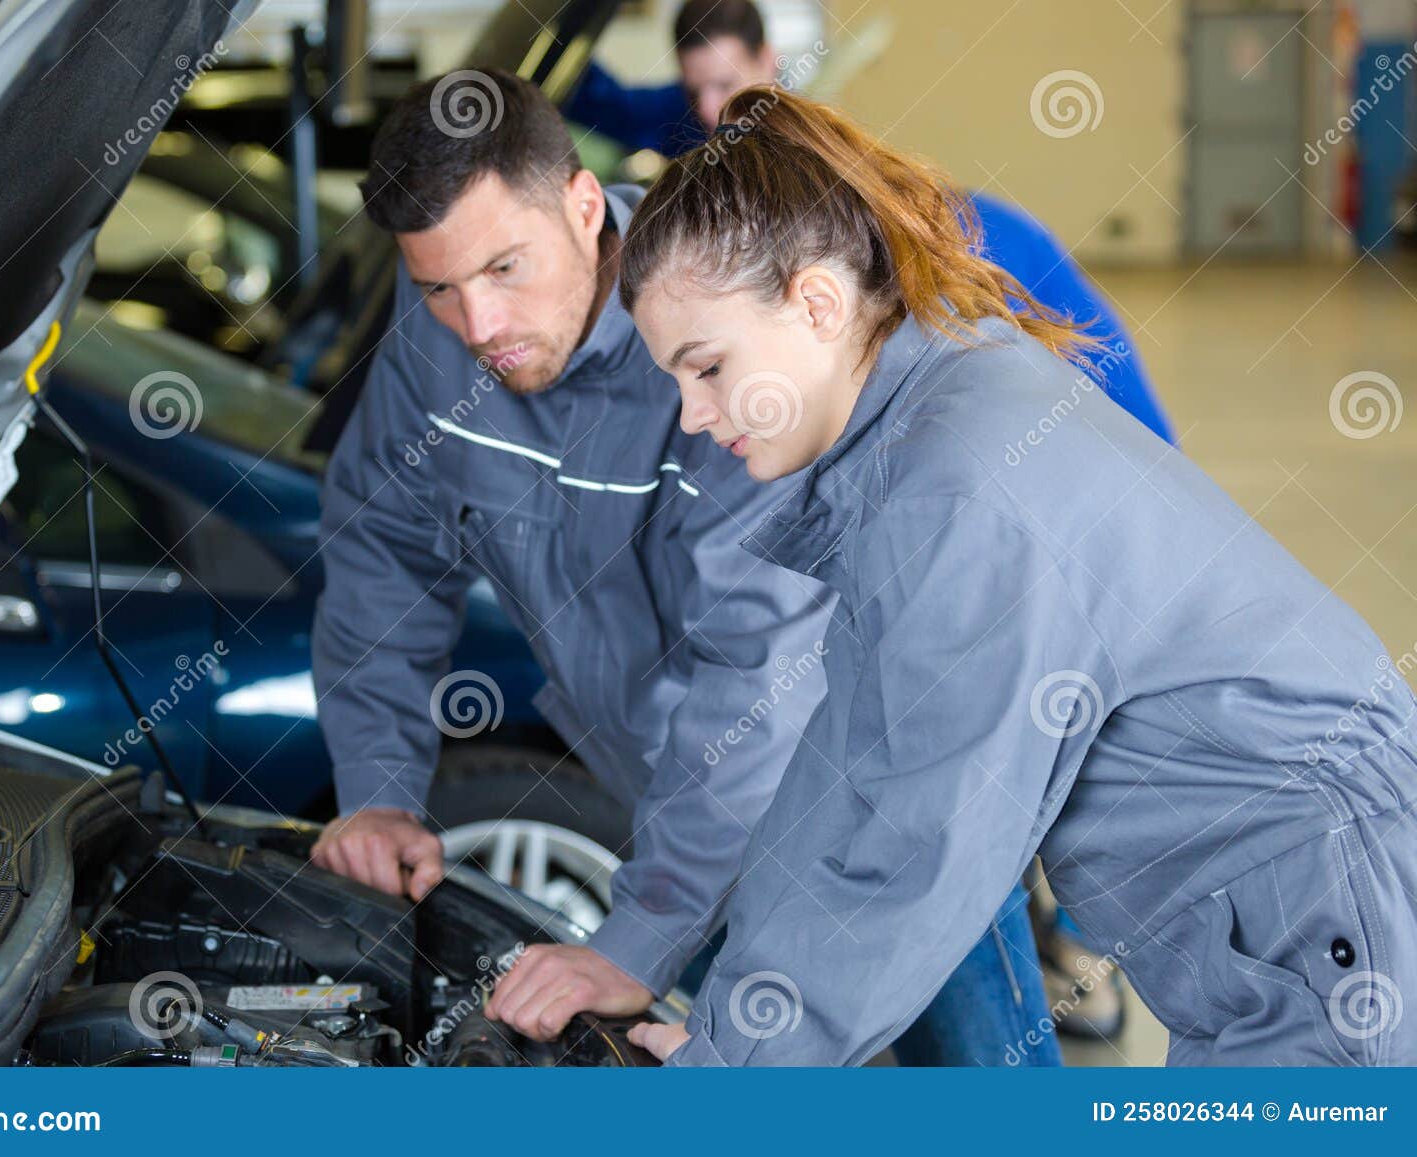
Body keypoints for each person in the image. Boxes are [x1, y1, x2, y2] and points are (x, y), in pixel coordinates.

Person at [619, 87, 1417, 1066]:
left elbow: (921, 850)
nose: (692, 415)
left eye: (704, 367)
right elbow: (840, 775)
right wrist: (726, 1030)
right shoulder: (912, 433)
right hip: (1274, 922)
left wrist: (732, 1071)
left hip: (1332, 919)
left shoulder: (957, 486)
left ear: (816, 303)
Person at [310, 66, 1058, 1064]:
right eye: (438, 287)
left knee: (983, 1090)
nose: (477, 326)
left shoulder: (711, 326)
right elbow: (382, 558)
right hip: (692, 827)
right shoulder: (437, 354)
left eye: (503, 269)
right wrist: (378, 785)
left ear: (583, 207)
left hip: (887, 812)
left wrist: (639, 932)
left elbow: (760, 663)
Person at [566, 0, 1174, 447]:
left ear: (768, 62)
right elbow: (592, 95)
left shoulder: (926, 233)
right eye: (695, 89)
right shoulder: (687, 122)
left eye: (726, 84)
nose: (708, 109)